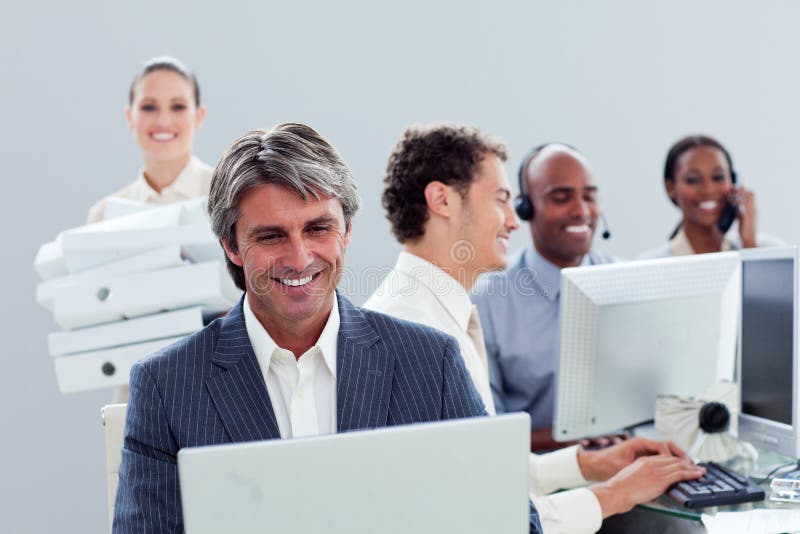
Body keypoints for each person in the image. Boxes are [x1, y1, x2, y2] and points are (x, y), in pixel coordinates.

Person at [113, 123, 542, 533]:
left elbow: (513, 523)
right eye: (271, 237)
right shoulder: (166, 387)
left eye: (318, 228)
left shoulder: (431, 363)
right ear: (231, 246)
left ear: (347, 231)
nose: (299, 258)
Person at [366, 126, 704, 534]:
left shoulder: (437, 314)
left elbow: (478, 467)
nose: (513, 221)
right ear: (442, 201)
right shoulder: (412, 332)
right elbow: (479, 514)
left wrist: (587, 463)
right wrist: (614, 494)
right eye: (501, 200)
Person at [472, 143, 613, 449]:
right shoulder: (488, 301)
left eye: (589, 196)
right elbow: (489, 430)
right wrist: (574, 441)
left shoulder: (628, 282)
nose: (581, 211)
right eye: (562, 198)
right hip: (538, 479)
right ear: (526, 208)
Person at [87, 56, 212, 223]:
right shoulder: (104, 216)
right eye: (149, 107)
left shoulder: (234, 198)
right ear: (130, 117)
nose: (163, 121)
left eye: (178, 107)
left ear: (199, 116)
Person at [640, 135, 782, 258]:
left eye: (718, 177)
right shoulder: (650, 265)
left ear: (733, 182)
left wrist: (749, 245)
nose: (708, 190)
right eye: (693, 179)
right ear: (671, 187)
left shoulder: (769, 250)